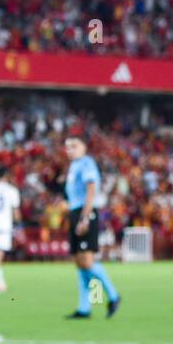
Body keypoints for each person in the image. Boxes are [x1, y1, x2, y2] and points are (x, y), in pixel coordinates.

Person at [63, 135, 121, 319]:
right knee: (80, 262)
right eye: (68, 147)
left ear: (84, 147)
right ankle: (84, 308)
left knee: (87, 260)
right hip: (75, 212)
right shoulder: (74, 166)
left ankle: (113, 295)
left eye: (74, 145)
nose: (70, 149)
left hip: (85, 213)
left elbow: (91, 190)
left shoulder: (86, 163)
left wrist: (85, 218)